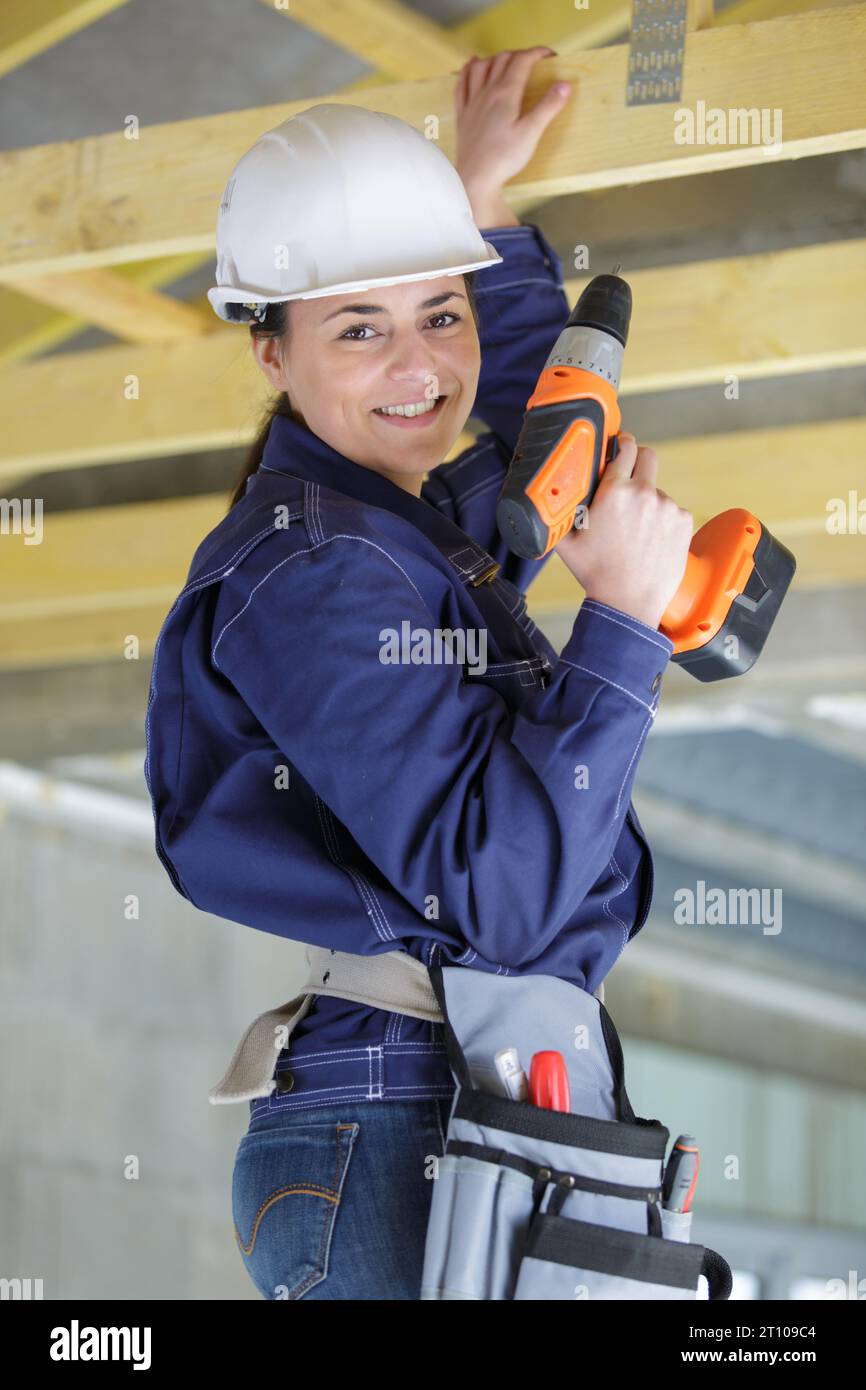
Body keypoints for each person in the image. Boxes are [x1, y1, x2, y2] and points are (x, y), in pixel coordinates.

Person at [145, 49, 693, 1300]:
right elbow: (496, 892)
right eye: (358, 327)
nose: (417, 366)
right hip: (403, 1118)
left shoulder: (391, 528)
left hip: (442, 1091)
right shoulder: (314, 577)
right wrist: (619, 625)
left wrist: (480, 204)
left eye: (438, 312)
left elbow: (545, 444)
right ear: (270, 351)